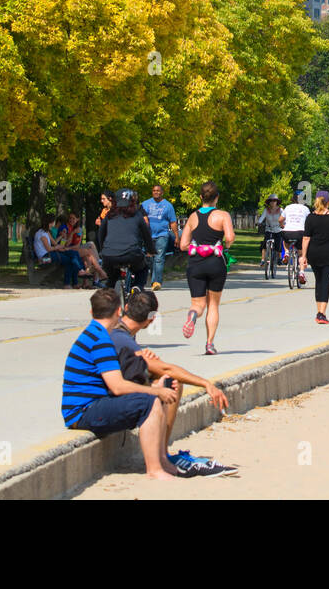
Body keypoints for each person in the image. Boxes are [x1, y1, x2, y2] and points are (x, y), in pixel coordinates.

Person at [59, 288, 177, 480]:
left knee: (155, 394)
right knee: (149, 401)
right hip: (83, 412)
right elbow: (117, 387)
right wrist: (153, 392)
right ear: (118, 311)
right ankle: (155, 469)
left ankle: (162, 460)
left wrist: (153, 388)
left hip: (91, 405)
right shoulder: (100, 340)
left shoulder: (94, 333)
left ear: (92, 312)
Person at [114, 291, 235, 476]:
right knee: (170, 383)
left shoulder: (120, 333)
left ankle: (162, 454)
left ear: (126, 308)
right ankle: (161, 457)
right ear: (152, 319)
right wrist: (206, 384)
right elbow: (166, 369)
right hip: (104, 401)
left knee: (165, 382)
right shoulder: (123, 339)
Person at [178, 181, 234, 354]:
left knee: (198, 304)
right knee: (213, 305)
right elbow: (230, 237)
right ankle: (209, 344)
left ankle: (193, 315)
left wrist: (198, 247)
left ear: (201, 197)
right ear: (217, 197)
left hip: (195, 264)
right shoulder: (223, 215)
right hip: (216, 262)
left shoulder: (193, 217)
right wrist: (224, 245)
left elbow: (183, 245)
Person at [98, 190, 154, 296]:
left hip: (109, 254)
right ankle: (137, 286)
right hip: (132, 252)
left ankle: (109, 288)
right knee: (143, 268)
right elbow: (146, 234)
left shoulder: (109, 215)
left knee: (112, 275)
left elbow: (101, 233)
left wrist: (103, 250)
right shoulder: (137, 215)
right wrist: (151, 250)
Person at [301, 190, 329, 324]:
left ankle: (319, 312)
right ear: (328, 202)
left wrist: (304, 256)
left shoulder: (310, 217)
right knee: (325, 283)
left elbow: (306, 238)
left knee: (319, 282)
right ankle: (321, 313)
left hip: (314, 253)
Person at [142, 184, 179, 293]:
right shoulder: (145, 204)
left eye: (158, 191)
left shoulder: (168, 206)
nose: (156, 192)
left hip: (162, 235)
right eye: (154, 190)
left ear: (162, 192)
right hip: (148, 236)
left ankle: (156, 282)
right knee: (150, 259)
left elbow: (173, 222)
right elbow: (141, 219)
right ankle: (153, 279)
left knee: (159, 258)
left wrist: (176, 236)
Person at [35, 214, 85, 288]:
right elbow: (49, 248)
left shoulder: (46, 232)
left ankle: (77, 278)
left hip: (50, 255)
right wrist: (58, 247)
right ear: (48, 222)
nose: (53, 225)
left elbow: (54, 243)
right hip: (44, 259)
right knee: (69, 261)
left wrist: (62, 237)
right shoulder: (41, 234)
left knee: (73, 253)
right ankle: (69, 283)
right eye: (52, 223)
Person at [282, 191, 311, 286]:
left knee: (285, 241)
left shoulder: (288, 207)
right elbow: (310, 221)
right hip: (300, 233)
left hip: (288, 232)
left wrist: (282, 226)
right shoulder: (306, 209)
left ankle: (286, 252)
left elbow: (280, 220)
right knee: (301, 253)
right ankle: (301, 272)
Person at [257, 195, 284, 265]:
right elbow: (262, 217)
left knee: (279, 245)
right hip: (269, 229)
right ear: (269, 202)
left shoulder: (280, 210)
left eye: (274, 201)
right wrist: (259, 223)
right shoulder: (266, 210)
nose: (272, 202)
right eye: (271, 201)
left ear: (277, 202)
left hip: (278, 229)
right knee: (264, 244)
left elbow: (284, 218)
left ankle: (279, 258)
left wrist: (285, 225)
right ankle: (263, 259)